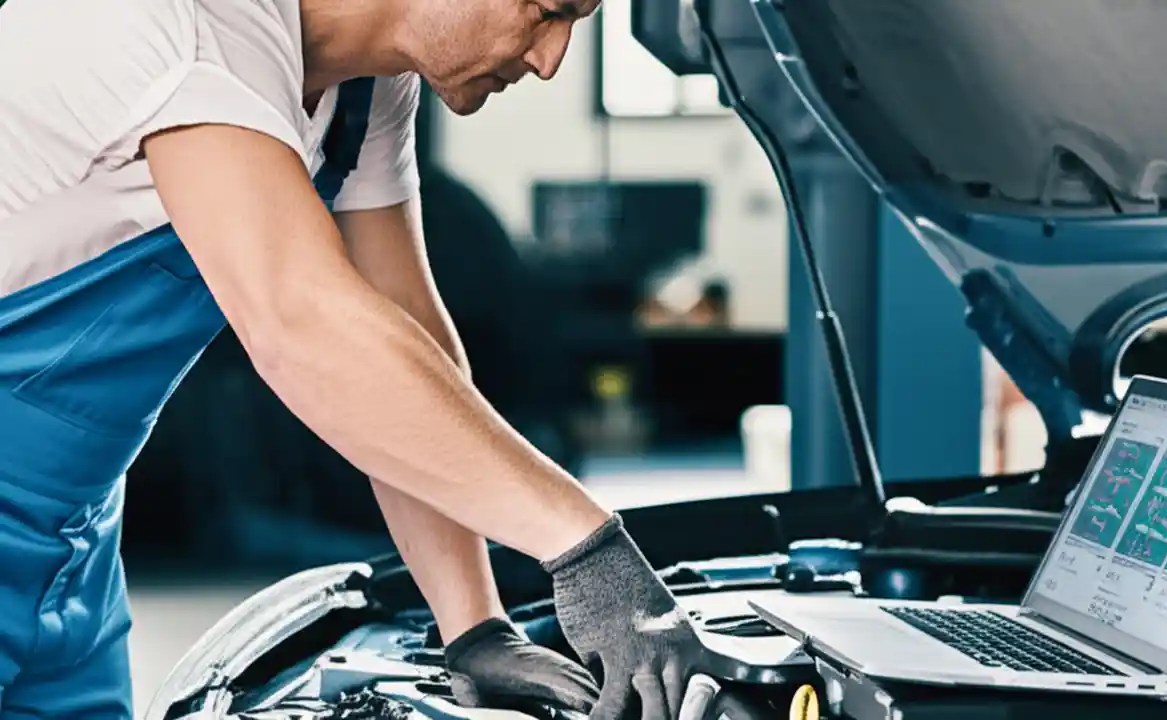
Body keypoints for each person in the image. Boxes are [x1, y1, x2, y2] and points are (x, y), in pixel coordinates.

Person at [0, 0, 709, 718]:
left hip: (69, 543)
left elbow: (403, 336)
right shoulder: (186, 20)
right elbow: (301, 319)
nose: (552, 58)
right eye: (547, 11)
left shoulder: (364, 91)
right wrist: (585, 547)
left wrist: (473, 623)